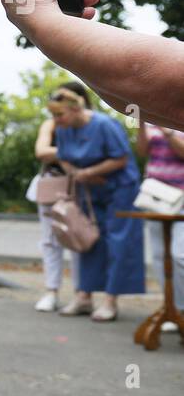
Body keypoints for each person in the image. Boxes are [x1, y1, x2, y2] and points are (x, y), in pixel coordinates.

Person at [0, 0, 184, 129]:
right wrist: (68, 34)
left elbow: (168, 94)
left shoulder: (101, 125)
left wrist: (46, 25)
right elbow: (145, 99)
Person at [48, 87, 144, 320]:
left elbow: (121, 158)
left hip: (120, 188)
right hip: (89, 189)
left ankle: (111, 300)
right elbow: (63, 158)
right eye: (54, 116)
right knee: (88, 238)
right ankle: (84, 296)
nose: (56, 121)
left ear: (76, 109)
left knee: (118, 240)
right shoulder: (63, 129)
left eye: (60, 115)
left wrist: (88, 172)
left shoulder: (104, 125)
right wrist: (78, 174)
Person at [30, 82, 86, 312]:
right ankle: (51, 291)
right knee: (50, 241)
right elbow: (42, 152)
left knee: (79, 240)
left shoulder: (89, 124)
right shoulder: (50, 124)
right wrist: (72, 153)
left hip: (82, 187)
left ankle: (82, 293)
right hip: (53, 186)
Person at [136, 121, 184, 329]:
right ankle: (171, 307)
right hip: (155, 195)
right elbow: (141, 151)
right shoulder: (149, 118)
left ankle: (181, 308)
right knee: (158, 255)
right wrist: (140, 124)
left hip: (181, 196)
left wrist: (168, 132)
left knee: (179, 255)